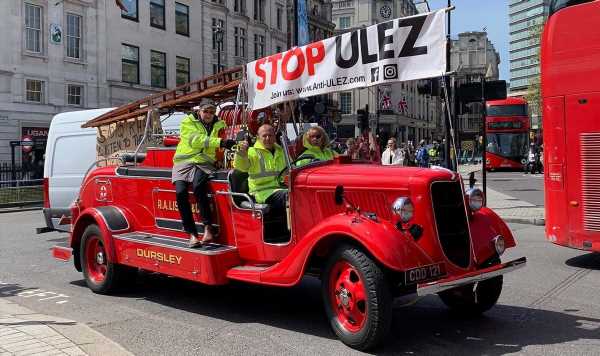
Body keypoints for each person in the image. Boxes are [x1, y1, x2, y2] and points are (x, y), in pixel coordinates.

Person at [172, 103, 236, 248]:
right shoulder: (188, 122)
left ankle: (208, 227)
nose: (208, 114)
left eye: (211, 112)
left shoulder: (220, 125)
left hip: (204, 162)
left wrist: (220, 159)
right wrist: (221, 142)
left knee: (199, 187)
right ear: (199, 111)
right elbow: (195, 141)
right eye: (205, 111)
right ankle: (192, 234)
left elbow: (221, 147)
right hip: (183, 161)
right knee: (180, 193)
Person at [234, 124, 288, 215]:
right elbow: (242, 167)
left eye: (270, 135)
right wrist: (241, 154)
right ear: (258, 137)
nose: (267, 138)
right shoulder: (251, 151)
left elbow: (291, 170)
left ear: (275, 136)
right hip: (261, 192)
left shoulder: (282, 151)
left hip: (281, 188)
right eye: (264, 136)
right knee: (288, 196)